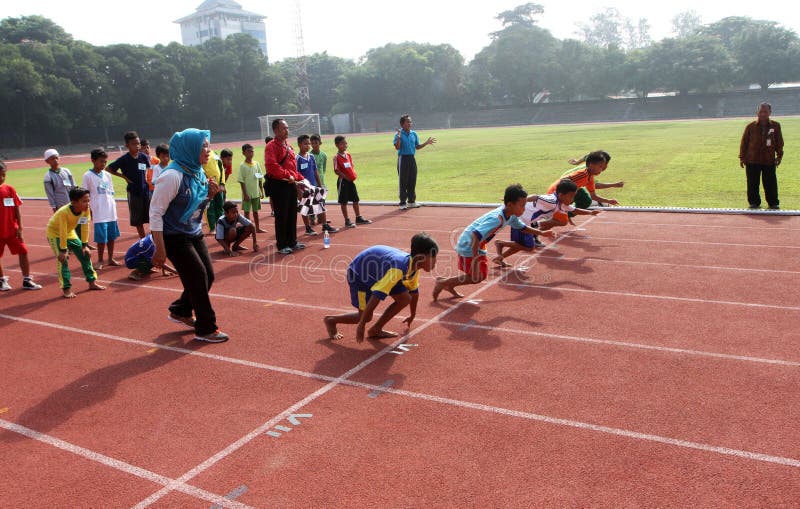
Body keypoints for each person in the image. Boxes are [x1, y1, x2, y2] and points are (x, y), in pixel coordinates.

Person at [150, 128, 228, 343]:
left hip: (193, 231)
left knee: (207, 276)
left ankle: (181, 309)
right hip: (173, 236)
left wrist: (210, 196)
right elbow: (155, 213)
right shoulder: (172, 176)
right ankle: (206, 328)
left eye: (208, 146)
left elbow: (195, 206)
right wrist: (160, 248)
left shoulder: (197, 172)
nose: (208, 150)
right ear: (190, 148)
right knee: (198, 277)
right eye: (203, 146)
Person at [433, 184, 554, 301]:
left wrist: (542, 233)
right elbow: (475, 235)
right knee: (476, 277)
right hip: (469, 244)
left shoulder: (511, 215)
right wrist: (475, 258)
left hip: (478, 244)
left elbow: (523, 228)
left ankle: (447, 283)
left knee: (479, 276)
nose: (524, 209)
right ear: (510, 204)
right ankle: (443, 282)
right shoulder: (497, 218)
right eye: (522, 205)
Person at [323, 233, 439, 342]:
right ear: (420, 257)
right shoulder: (399, 268)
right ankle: (331, 320)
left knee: (405, 299)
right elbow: (377, 294)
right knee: (365, 317)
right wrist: (361, 324)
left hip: (380, 271)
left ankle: (376, 329)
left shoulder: (414, 267)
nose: (436, 261)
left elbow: (414, 292)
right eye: (433, 257)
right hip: (360, 274)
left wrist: (412, 314)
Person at [493, 179, 600, 267]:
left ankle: (500, 256)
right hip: (521, 219)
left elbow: (575, 210)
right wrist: (518, 202)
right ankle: (500, 244)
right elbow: (536, 197)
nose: (573, 199)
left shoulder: (561, 203)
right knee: (528, 246)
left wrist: (590, 212)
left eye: (574, 196)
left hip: (524, 221)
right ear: (561, 194)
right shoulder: (552, 200)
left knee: (522, 245)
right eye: (571, 196)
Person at [46, 187, 105, 298]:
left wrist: (84, 245)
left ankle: (92, 282)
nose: (87, 204)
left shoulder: (86, 210)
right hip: (55, 233)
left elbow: (85, 226)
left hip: (70, 232)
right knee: (63, 260)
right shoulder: (64, 212)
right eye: (84, 201)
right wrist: (63, 250)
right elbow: (62, 230)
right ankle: (66, 289)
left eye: (88, 200)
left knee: (85, 255)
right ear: (74, 202)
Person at [265, 119, 306, 254]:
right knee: (282, 215)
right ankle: (282, 245)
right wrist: (288, 175)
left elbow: (293, 167)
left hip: (290, 184)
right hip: (279, 184)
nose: (287, 130)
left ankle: (292, 241)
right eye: (284, 128)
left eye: (287, 128)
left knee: (292, 214)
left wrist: (302, 179)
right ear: (276, 130)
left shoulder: (289, 146)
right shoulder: (271, 146)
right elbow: (272, 166)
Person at [0, 161, 42, 291]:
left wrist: (20, 227)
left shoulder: (9, 189)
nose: (1, 178)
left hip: (12, 230)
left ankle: (27, 280)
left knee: (23, 251)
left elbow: (16, 208)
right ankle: (1, 280)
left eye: (3, 175)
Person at [106, 131, 152, 239]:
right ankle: (143, 241)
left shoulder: (143, 157)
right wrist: (124, 177)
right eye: (134, 144)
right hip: (133, 192)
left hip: (145, 191)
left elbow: (147, 168)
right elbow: (108, 169)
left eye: (138, 143)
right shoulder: (124, 159)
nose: (137, 146)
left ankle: (153, 239)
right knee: (138, 220)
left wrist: (145, 177)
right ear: (127, 145)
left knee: (152, 217)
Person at [81, 149, 121, 269]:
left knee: (112, 237)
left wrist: (113, 205)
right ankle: (100, 260)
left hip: (110, 210)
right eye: (101, 161)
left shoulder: (107, 175)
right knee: (101, 238)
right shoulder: (87, 176)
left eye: (105, 162)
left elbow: (111, 192)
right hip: (99, 211)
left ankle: (110, 258)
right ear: (93, 160)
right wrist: (88, 210)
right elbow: (85, 195)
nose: (103, 164)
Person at [739, 102, 784, 210]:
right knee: (752, 183)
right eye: (761, 111)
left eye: (765, 111)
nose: (763, 114)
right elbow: (744, 143)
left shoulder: (776, 126)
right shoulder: (750, 127)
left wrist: (779, 156)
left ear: (770, 112)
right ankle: (754, 202)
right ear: (757, 112)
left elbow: (779, 142)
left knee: (770, 183)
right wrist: (742, 157)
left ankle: (773, 203)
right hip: (752, 160)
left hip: (769, 160)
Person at [550, 150, 622, 209]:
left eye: (603, 167)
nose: (602, 169)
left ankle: (569, 211)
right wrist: (567, 195)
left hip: (567, 190)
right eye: (600, 166)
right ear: (591, 165)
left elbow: (593, 195)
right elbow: (563, 181)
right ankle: (563, 209)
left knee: (586, 199)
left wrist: (608, 201)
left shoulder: (590, 177)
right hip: (556, 193)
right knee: (581, 194)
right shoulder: (583, 174)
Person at [393, 114, 436, 209]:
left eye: (410, 121)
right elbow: (397, 147)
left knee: (412, 180)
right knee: (403, 181)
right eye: (407, 122)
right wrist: (399, 137)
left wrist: (426, 143)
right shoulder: (398, 134)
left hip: (412, 158)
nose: (410, 123)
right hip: (403, 159)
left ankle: (411, 201)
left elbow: (417, 147)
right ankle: (402, 203)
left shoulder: (414, 134)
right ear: (402, 124)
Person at [296, 134, 337, 235]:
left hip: (314, 186)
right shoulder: (297, 159)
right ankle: (308, 228)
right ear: (299, 145)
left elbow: (315, 171)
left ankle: (324, 225)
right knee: (305, 208)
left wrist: (320, 185)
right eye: (305, 144)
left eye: (308, 144)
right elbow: (296, 175)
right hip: (303, 188)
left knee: (321, 205)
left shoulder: (311, 157)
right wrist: (298, 191)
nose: (308, 146)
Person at [333, 135, 371, 228]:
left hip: (351, 181)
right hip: (343, 182)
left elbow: (351, 166)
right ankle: (347, 220)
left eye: (345, 143)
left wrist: (353, 175)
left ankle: (358, 217)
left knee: (355, 199)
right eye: (342, 143)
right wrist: (346, 177)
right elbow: (336, 170)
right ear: (337, 145)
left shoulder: (348, 155)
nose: (345, 145)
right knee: (344, 201)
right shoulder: (336, 157)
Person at [237, 143, 266, 233]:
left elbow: (260, 178)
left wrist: (261, 191)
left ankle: (257, 228)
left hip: (256, 192)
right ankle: (248, 229)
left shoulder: (256, 164)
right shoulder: (242, 165)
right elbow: (241, 181)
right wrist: (245, 194)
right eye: (248, 151)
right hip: (247, 193)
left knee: (255, 212)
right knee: (247, 212)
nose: (251, 153)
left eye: (252, 151)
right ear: (243, 153)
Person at [43, 148, 76, 212]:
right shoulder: (48, 176)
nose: (55, 160)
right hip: (60, 206)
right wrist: (54, 207)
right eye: (52, 159)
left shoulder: (66, 171)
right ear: (47, 161)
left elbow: (74, 186)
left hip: (72, 203)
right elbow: (50, 194)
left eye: (56, 158)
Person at [204, 149, 227, 234]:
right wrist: (206, 183)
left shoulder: (214, 153)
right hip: (207, 187)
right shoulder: (199, 155)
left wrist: (222, 184)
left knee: (220, 207)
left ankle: (220, 226)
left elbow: (221, 169)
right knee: (210, 207)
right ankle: (212, 228)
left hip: (218, 187)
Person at [262, 136, 275, 217]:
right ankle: (273, 210)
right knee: (272, 195)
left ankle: (276, 210)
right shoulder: (268, 152)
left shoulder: (275, 150)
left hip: (276, 176)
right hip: (271, 177)